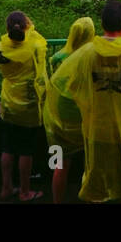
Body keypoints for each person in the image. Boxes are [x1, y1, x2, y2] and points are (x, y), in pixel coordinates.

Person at [49, 0, 121, 203]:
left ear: (102, 24)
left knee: (100, 185)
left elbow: (65, 84)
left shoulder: (85, 55)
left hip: (98, 131)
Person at [0, 10, 47, 201]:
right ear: (26, 27)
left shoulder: (1, 47)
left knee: (7, 147)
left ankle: (6, 188)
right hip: (28, 105)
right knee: (26, 150)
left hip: (8, 102)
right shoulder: (34, 46)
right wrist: (30, 27)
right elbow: (41, 42)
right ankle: (25, 191)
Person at [44, 16, 95, 203]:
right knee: (91, 165)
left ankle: (57, 199)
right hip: (83, 118)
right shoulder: (91, 59)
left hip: (58, 119)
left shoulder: (57, 58)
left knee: (59, 164)